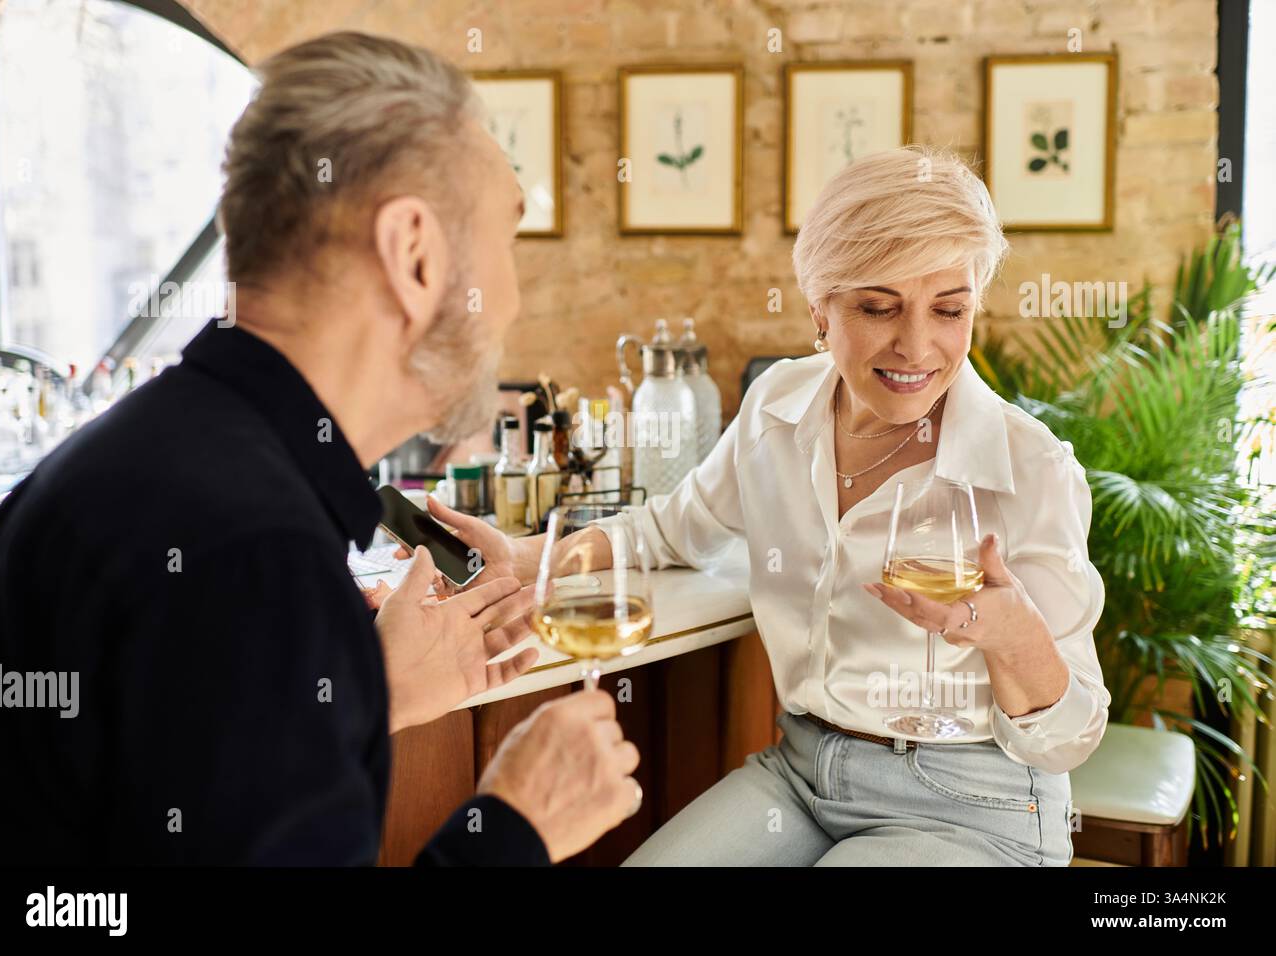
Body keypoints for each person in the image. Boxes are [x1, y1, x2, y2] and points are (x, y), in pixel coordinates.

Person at [0, 32, 640, 866]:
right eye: (506, 240)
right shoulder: (256, 554)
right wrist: (515, 826)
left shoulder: (146, 457)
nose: (510, 301)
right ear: (416, 255)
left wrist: (361, 692)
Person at [431, 146, 1111, 866]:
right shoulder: (778, 409)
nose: (917, 345)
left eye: (950, 309)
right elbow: (669, 530)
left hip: (973, 804)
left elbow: (1069, 738)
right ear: (820, 308)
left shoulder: (1028, 468)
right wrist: (531, 557)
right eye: (878, 307)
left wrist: (1012, 634)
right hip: (804, 773)